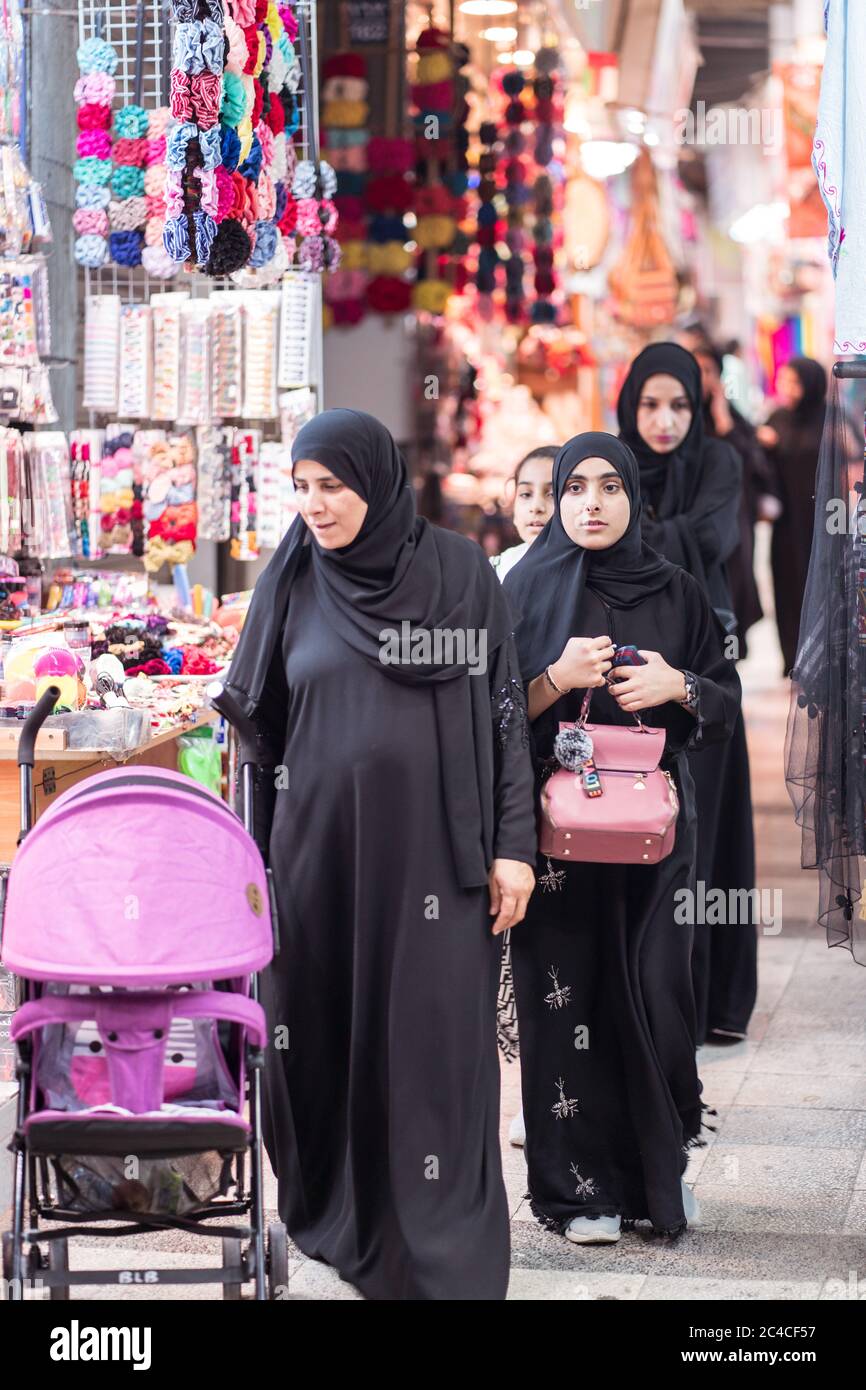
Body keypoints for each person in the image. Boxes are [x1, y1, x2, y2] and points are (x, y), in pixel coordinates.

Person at [223, 409, 537, 1301]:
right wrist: (249, 861)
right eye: (303, 488)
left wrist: (513, 848)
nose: (314, 506)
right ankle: (333, 1211)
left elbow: (506, 714)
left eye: (333, 486)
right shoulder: (292, 579)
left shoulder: (460, 573)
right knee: (317, 1032)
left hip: (438, 853)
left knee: (431, 1040)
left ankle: (437, 1238)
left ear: (379, 481)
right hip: (318, 851)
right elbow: (260, 734)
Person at [503, 432, 741, 1242]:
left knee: (655, 992)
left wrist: (682, 686)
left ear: (635, 498)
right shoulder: (526, 589)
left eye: (610, 487)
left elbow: (726, 698)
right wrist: (551, 684)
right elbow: (485, 717)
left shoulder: (674, 589)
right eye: (576, 488)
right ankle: (577, 1193)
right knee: (566, 998)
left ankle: (655, 1176)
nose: (592, 503)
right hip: (558, 839)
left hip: (656, 836)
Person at [617, 343, 757, 1045]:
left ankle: (707, 1003)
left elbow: (714, 534)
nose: (665, 421)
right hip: (627, 662)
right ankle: (641, 996)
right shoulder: (609, 464)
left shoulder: (719, 462)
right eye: (650, 405)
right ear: (628, 405)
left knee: (701, 823)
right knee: (635, 823)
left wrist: (639, 536)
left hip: (705, 659)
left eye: (680, 405)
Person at [490, 444, 558, 1148]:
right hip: (510, 779)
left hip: (571, 777)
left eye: (552, 491)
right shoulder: (492, 576)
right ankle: (524, 1090)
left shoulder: (588, 573)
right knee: (515, 947)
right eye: (526, 492)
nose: (537, 506)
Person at [694, 343, 780, 660]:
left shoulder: (731, 417)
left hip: (734, 516)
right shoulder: (680, 416)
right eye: (696, 370)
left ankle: (731, 661)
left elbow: (747, 462)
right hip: (695, 521)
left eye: (708, 371)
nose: (701, 379)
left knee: (736, 582)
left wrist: (722, 417)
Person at [756, 357, 828, 677]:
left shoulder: (830, 417)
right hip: (786, 525)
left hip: (823, 521)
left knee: (823, 588)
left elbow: (852, 458)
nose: (788, 388)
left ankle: (824, 660)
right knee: (787, 590)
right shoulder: (776, 418)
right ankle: (793, 661)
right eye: (784, 381)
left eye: (795, 382)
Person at [491, 446, 558, 581]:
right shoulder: (495, 570)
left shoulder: (595, 576)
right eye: (526, 494)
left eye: (552, 494)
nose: (536, 507)